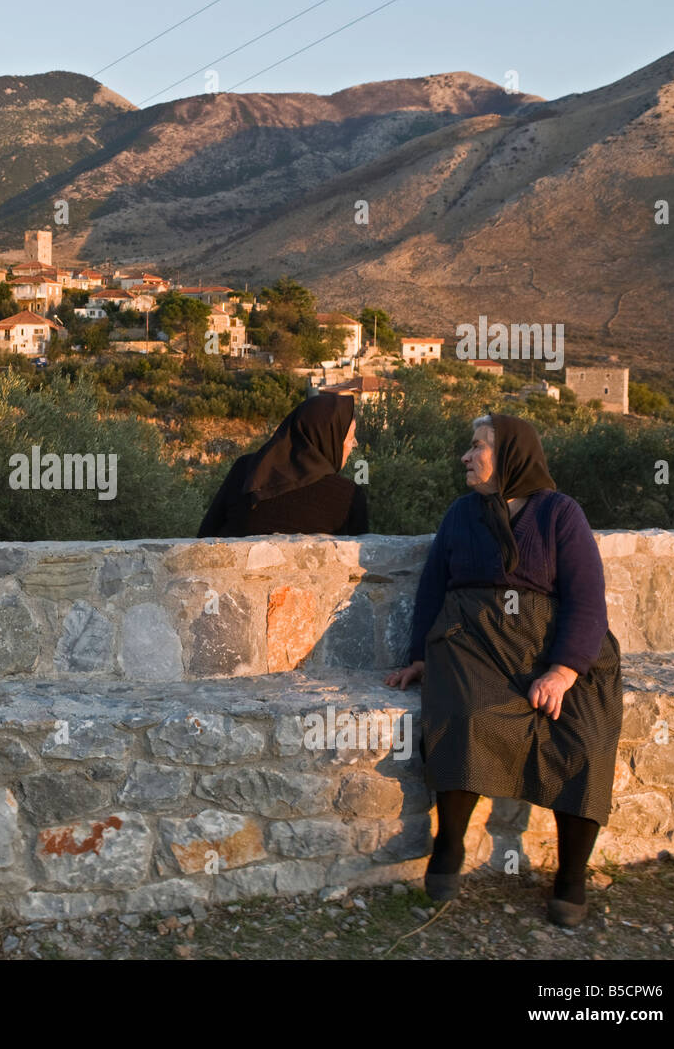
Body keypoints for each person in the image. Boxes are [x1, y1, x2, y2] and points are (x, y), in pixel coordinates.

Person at [385, 414, 622, 927]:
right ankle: (448, 849)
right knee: (466, 716)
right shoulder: (460, 514)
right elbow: (432, 589)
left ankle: (571, 876)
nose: (466, 457)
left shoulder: (560, 513)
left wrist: (562, 672)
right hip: (473, 642)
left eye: (478, 447)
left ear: (510, 455)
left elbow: (587, 598)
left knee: (587, 737)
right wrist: (419, 658)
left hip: (550, 645)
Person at [197, 392, 367, 537]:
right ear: (329, 440)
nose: (353, 445)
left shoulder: (246, 470)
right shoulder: (347, 496)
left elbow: (205, 537)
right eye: (351, 439)